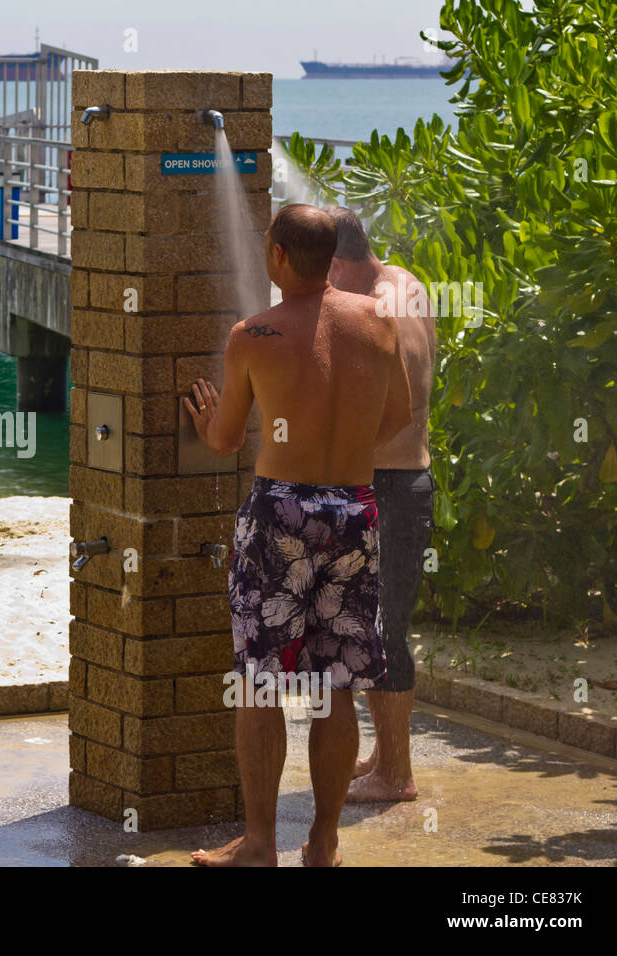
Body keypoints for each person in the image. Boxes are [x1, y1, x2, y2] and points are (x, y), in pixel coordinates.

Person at [182, 203, 411, 866]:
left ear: (278, 256)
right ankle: (324, 841)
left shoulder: (256, 334)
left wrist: (206, 424)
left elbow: (225, 440)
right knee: (335, 684)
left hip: (280, 514)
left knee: (261, 683)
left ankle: (259, 844)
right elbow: (396, 415)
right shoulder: (379, 322)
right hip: (355, 512)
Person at [326, 205, 436, 804]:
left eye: (326, 276)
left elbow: (394, 403)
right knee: (377, 627)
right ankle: (385, 754)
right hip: (409, 481)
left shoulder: (376, 308)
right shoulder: (407, 284)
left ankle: (398, 774)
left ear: (339, 264)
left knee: (382, 630)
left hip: (391, 487)